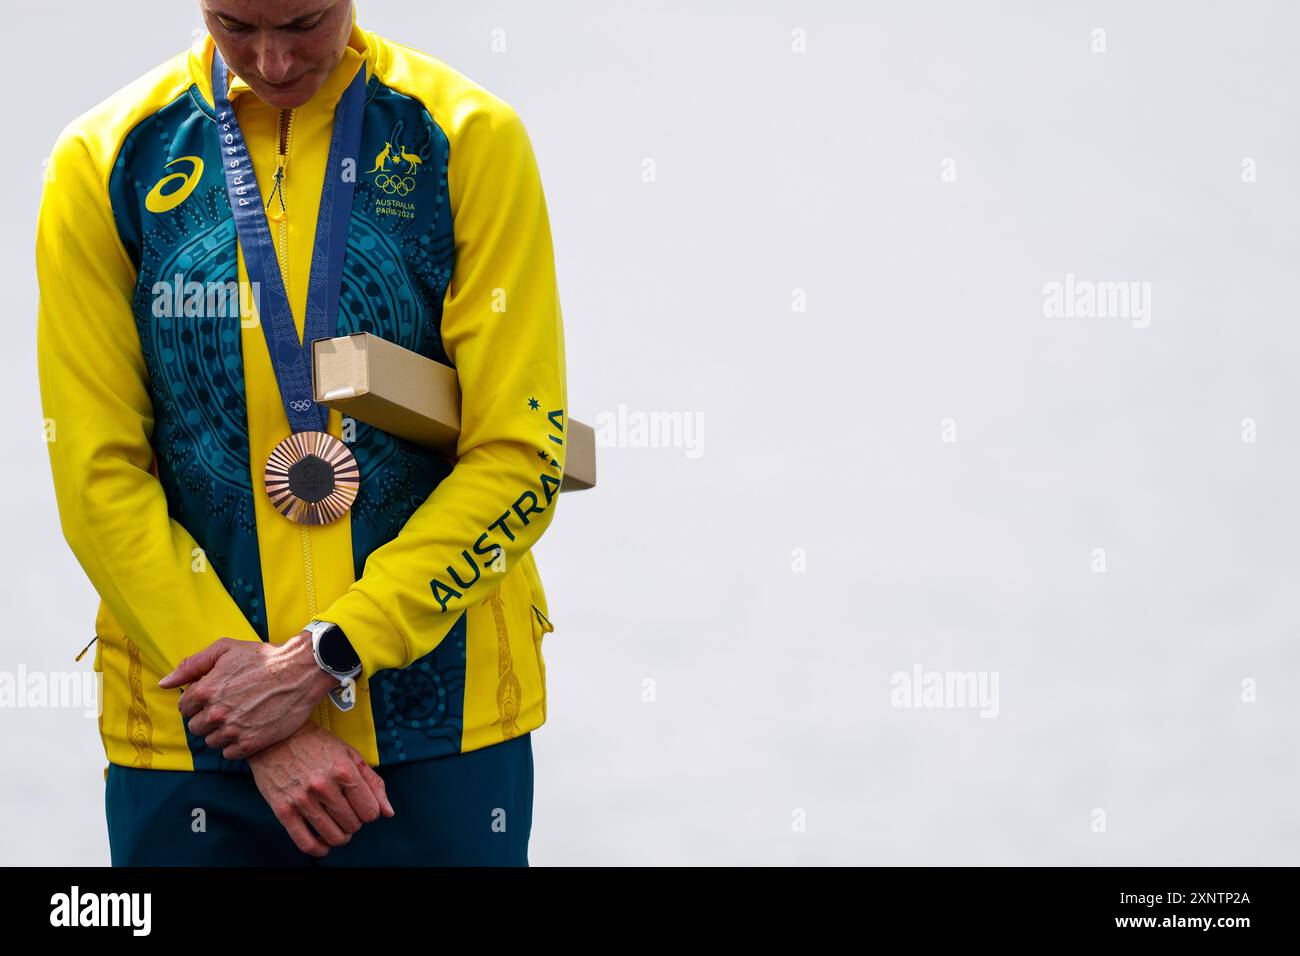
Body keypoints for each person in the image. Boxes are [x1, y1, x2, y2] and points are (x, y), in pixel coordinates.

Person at [35, 0, 568, 866]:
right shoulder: (104, 160)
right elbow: (98, 476)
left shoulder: (468, 138)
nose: (273, 61)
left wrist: (325, 658)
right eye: (234, 25)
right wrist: (253, 717)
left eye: (304, 22)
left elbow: (525, 454)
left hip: (437, 728)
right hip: (189, 745)